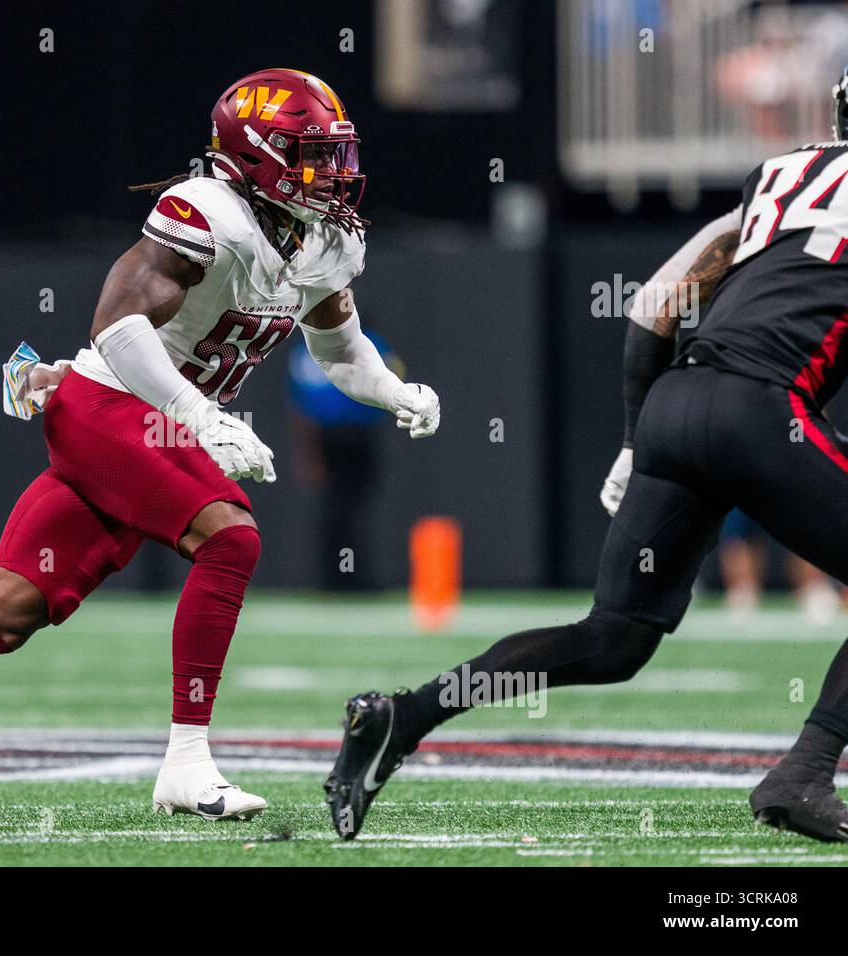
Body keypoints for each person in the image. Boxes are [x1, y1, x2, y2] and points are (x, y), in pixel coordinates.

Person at [0, 69, 441, 821]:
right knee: (231, 540)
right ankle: (187, 763)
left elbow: (340, 350)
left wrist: (393, 391)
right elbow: (115, 325)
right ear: (255, 154)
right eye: (311, 155)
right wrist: (199, 417)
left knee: (0, 615)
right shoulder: (210, 214)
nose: (333, 175)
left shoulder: (324, 240)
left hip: (146, 425)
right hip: (107, 406)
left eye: (335, 155)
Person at [326, 66, 848, 844]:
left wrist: (638, 442)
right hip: (761, 409)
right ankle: (803, 774)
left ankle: (406, 715)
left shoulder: (781, 174)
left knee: (613, 638)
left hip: (679, 397)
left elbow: (652, 310)